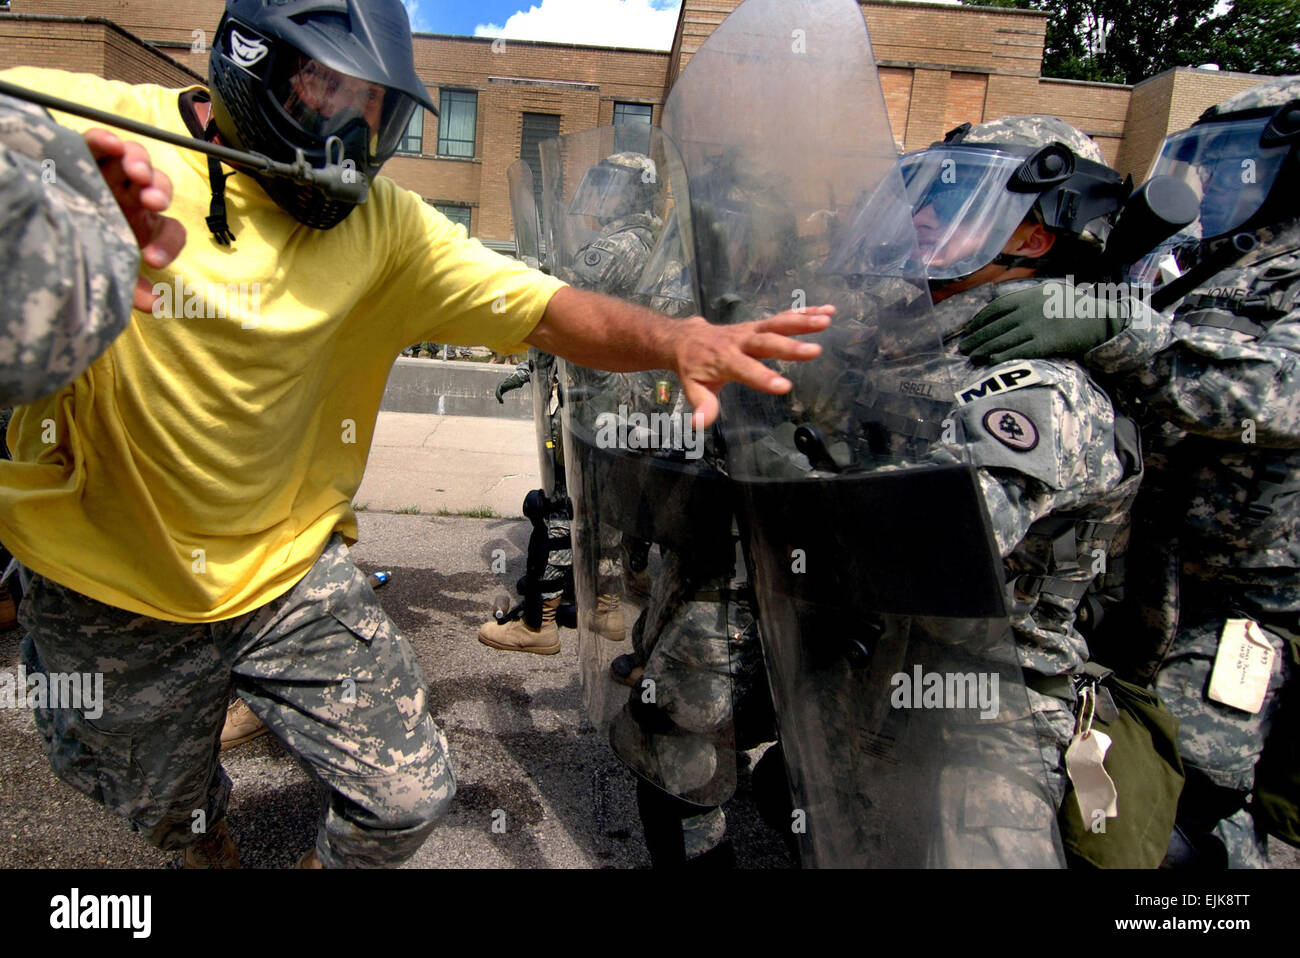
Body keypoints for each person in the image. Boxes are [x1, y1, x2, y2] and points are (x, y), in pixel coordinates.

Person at [0, 0, 829, 869]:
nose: (352, 138)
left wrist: (678, 339)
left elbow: (545, 310)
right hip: (104, 585)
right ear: (252, 63)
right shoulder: (87, 124)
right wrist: (40, 196)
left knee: (406, 800)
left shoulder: (388, 228)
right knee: (171, 818)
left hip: (283, 570)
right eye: (331, 93)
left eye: (378, 114)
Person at [959, 76, 1300, 868]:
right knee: (1119, 769)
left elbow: (1276, 390)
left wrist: (1119, 326)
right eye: (1206, 160)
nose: (1212, 181)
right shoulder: (1218, 263)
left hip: (1244, 606)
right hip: (1148, 576)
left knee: (1193, 798)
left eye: (1237, 163)